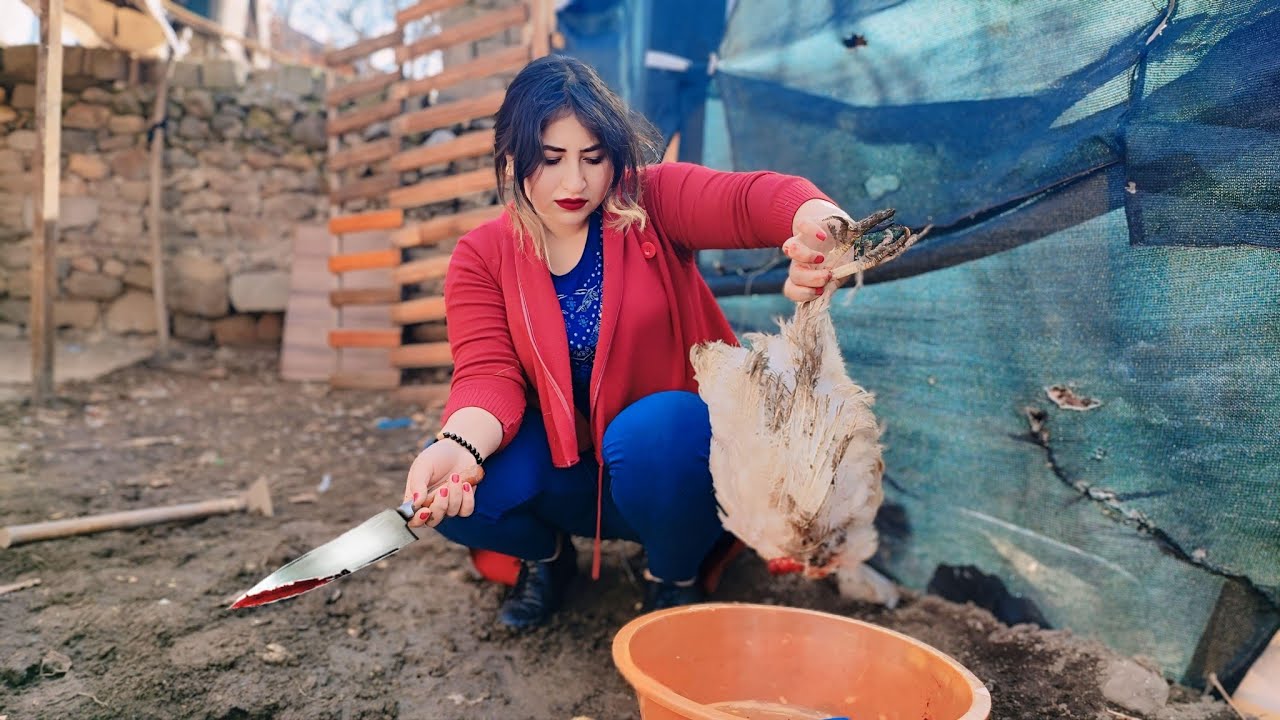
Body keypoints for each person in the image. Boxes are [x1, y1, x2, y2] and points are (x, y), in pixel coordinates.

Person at [400, 54, 856, 630]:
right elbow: (487, 375)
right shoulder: (481, 256)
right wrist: (459, 448)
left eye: (594, 158)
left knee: (659, 431)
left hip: (669, 468)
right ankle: (546, 559)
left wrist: (821, 226)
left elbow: (750, 201)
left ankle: (673, 574)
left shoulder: (650, 203)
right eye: (550, 160)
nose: (577, 182)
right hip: (566, 471)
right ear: (511, 157)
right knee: (457, 489)